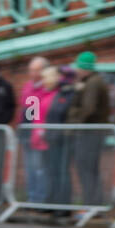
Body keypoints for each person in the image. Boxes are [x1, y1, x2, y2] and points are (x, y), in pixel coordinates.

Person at [66, 51, 111, 207]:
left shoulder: (92, 83)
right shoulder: (90, 81)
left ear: (84, 68)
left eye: (79, 67)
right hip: (91, 132)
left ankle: (92, 203)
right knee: (89, 168)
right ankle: (92, 203)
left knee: (87, 168)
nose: (77, 70)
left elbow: (89, 109)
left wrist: (74, 117)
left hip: (90, 133)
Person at [23, 66, 60, 205]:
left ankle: (41, 198)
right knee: (32, 169)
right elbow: (29, 114)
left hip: (44, 136)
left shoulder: (47, 93)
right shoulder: (30, 89)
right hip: (33, 134)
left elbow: (42, 114)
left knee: (41, 169)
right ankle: (33, 198)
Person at [43, 66, 78, 209]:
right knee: (51, 171)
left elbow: (63, 113)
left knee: (61, 171)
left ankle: (61, 204)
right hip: (49, 136)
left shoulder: (65, 94)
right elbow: (31, 113)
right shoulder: (55, 94)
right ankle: (50, 202)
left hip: (61, 138)